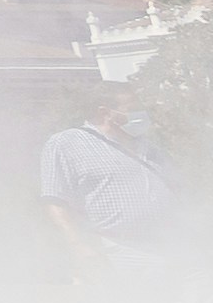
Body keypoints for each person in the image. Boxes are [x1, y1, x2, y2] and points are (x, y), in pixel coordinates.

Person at [41, 88, 176, 256]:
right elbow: (55, 200)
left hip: (175, 245)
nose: (141, 115)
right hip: (119, 250)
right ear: (104, 112)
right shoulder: (66, 142)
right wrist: (78, 246)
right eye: (132, 109)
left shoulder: (150, 148)